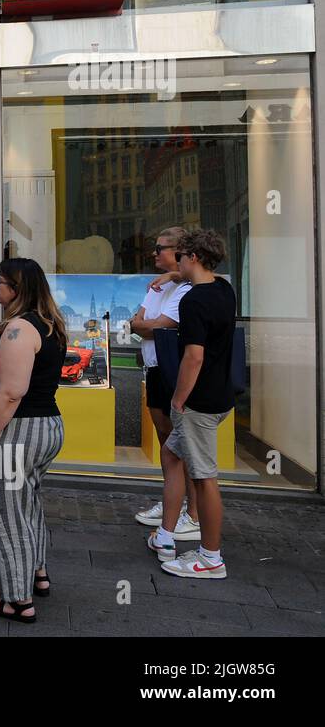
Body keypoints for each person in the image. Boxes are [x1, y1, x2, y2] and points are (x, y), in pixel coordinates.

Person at [0, 258, 66, 623]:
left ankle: (18, 600)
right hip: (45, 426)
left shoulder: (19, 328)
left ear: (17, 289)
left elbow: (12, 392)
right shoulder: (49, 325)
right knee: (28, 502)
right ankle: (38, 573)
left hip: (18, 431)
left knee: (8, 513)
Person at [149, 229, 236, 580]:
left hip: (197, 402)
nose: (176, 263)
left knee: (204, 479)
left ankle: (210, 557)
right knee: (172, 455)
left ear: (194, 258)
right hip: (220, 395)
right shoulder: (223, 290)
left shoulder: (193, 301)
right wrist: (173, 274)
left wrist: (178, 399)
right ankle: (166, 536)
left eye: (180, 257)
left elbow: (193, 358)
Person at [129, 227, 199, 541]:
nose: (154, 254)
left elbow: (160, 328)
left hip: (173, 370)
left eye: (160, 248)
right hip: (156, 368)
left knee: (180, 444)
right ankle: (174, 499)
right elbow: (137, 323)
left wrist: (145, 325)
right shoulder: (158, 286)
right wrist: (145, 325)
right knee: (165, 439)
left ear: (180, 251)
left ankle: (193, 512)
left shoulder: (185, 289)